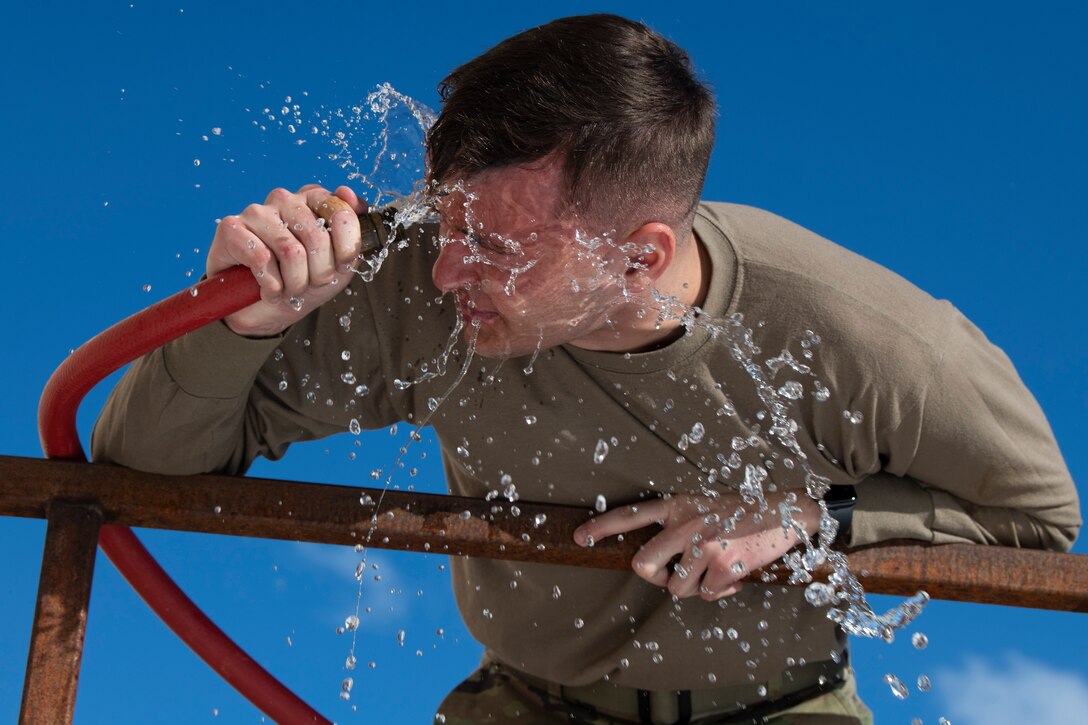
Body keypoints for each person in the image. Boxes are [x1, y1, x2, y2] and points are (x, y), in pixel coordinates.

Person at [92, 13, 1080, 725]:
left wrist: (809, 512)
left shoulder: (860, 337)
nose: (445, 267)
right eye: (445, 219)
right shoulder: (424, 278)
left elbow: (1042, 532)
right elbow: (136, 473)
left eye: (495, 245)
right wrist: (242, 323)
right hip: (521, 704)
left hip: (781, 709)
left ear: (640, 256)